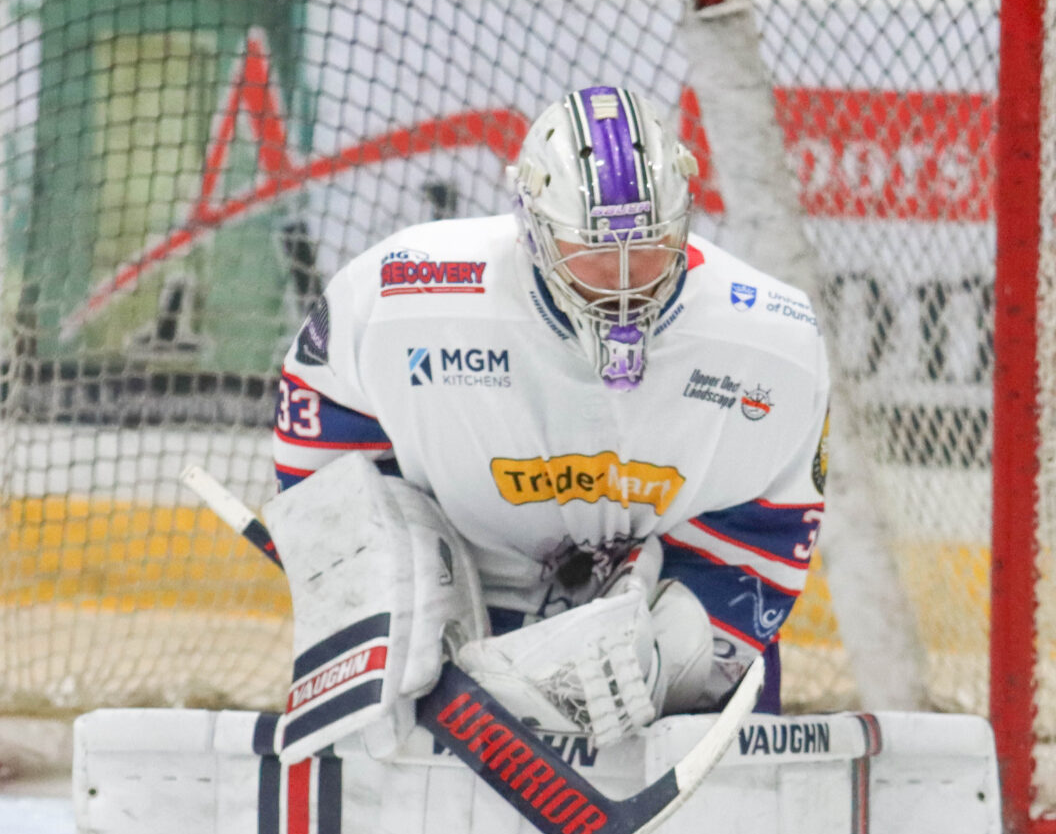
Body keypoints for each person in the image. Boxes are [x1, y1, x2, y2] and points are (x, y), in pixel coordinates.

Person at [271, 84, 830, 738]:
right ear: (532, 229)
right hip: (465, 619)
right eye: (592, 253)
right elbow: (322, 406)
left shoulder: (773, 344)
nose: (624, 281)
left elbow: (768, 529)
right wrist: (380, 577)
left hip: (643, 631)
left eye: (648, 247)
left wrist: (672, 656)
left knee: (730, 799)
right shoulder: (406, 293)